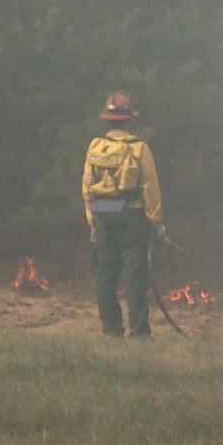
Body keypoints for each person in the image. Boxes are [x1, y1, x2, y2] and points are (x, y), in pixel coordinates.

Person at [82, 91, 168, 337]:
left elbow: (87, 187)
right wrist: (157, 222)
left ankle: (111, 330)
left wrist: (92, 221)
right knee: (135, 275)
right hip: (132, 215)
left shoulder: (95, 147)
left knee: (106, 276)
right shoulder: (140, 149)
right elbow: (151, 189)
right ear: (130, 120)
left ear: (107, 120)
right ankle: (139, 332)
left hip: (103, 213)